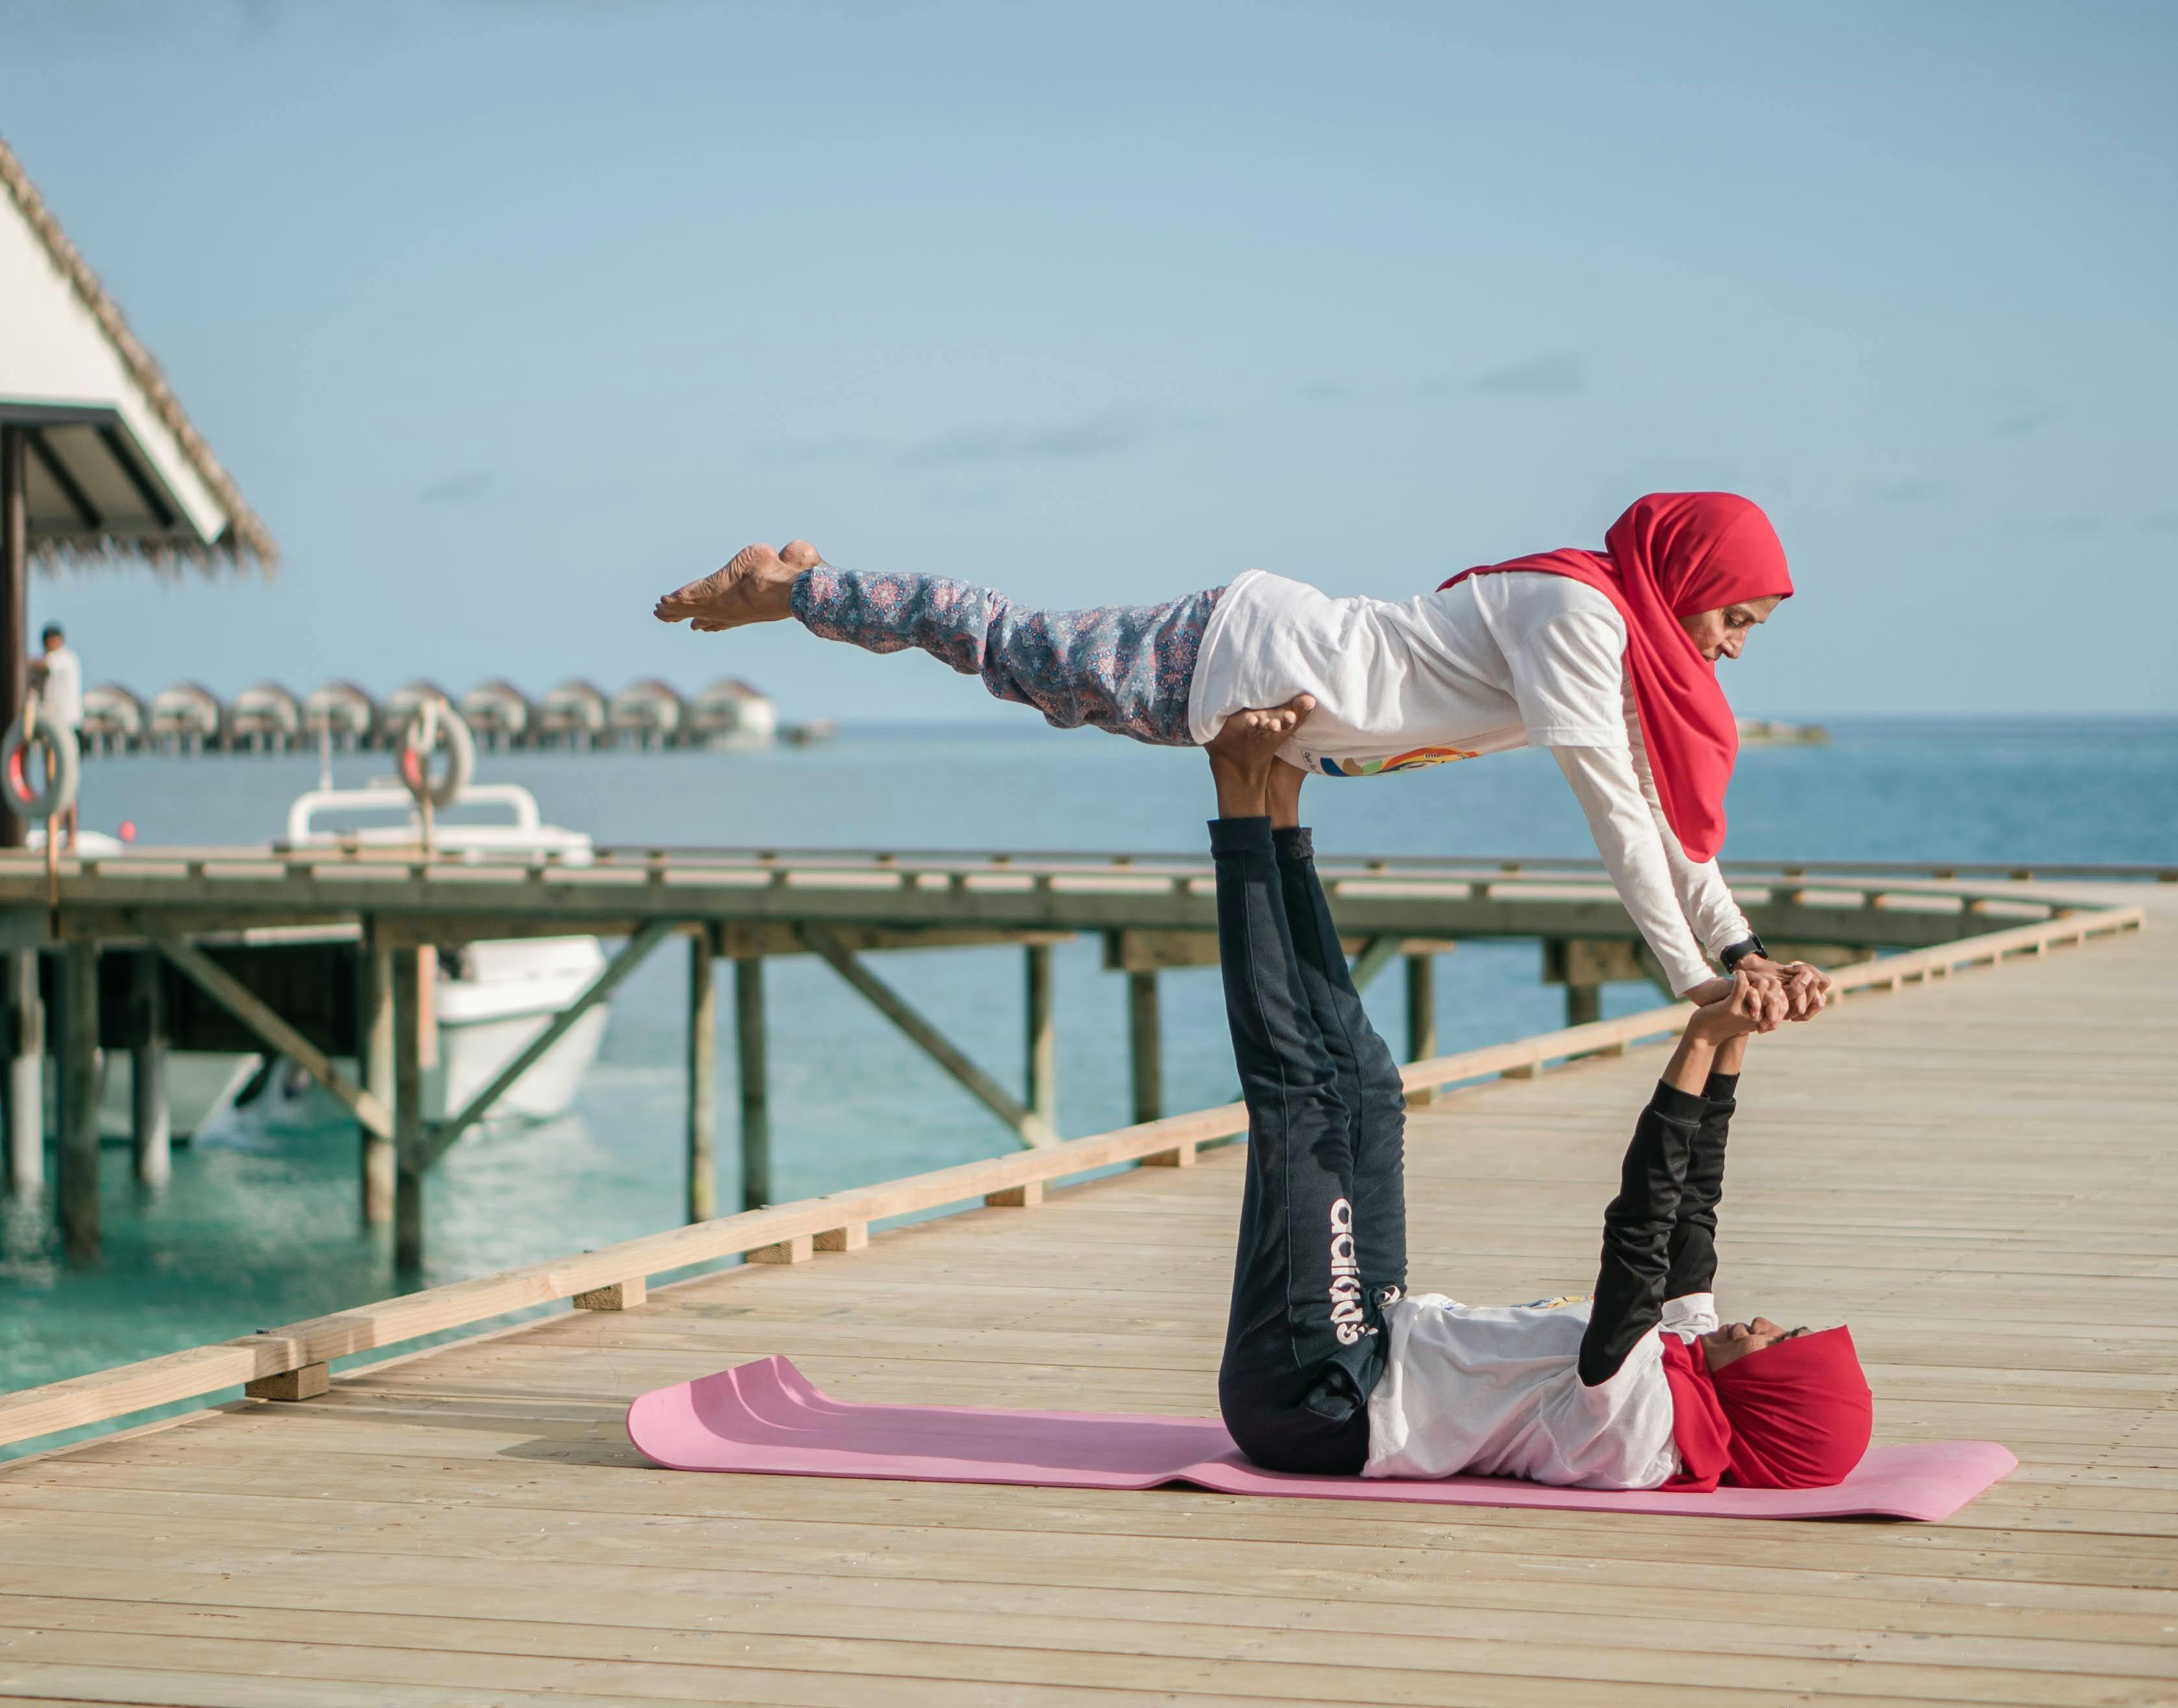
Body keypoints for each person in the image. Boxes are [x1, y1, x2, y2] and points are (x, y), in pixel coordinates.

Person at [656, 493, 1830, 1023]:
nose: (1730, 646)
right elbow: (1618, 808)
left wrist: (1745, 946)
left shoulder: (1621, 631)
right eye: (1734, 618)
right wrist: (1687, 973)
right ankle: (786, 582)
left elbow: (1672, 818)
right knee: (1004, 643)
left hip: (1261, 687)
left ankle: (803, 577)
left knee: (1013, 659)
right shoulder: (1583, 618)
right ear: (1690, 577)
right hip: (1235, 660)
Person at [1197, 700, 1873, 1489]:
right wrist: (1737, 1027)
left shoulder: (1642, 1431)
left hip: (1318, 1398)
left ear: (1768, 1398)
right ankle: (1281, 812)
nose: (1762, 1321)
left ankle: (1236, 798)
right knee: (1371, 1088)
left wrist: (1694, 1040)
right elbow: (1694, 1202)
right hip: (1379, 1334)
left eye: (1778, 1340)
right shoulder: (1690, 1358)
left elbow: (1640, 1232)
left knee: (1306, 1100)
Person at [28, 621, 82, 853]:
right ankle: (61, 836)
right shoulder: (65, 660)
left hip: (64, 728)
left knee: (60, 783)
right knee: (60, 783)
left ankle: (65, 836)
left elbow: (43, 666)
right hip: (57, 728)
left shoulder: (63, 659)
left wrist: (17, 659)